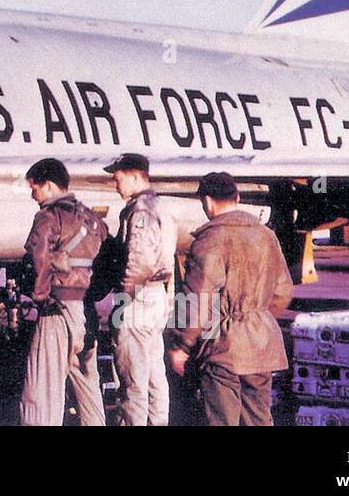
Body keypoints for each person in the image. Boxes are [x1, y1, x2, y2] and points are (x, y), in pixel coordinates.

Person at [169, 172, 293, 426]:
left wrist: (182, 346)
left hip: (223, 348)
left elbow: (198, 299)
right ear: (236, 197)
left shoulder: (210, 239)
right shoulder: (266, 235)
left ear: (207, 201)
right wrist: (254, 319)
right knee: (259, 419)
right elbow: (283, 290)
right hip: (261, 344)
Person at [19, 158, 108, 426]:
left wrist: (40, 296)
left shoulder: (48, 217)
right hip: (86, 315)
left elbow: (39, 262)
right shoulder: (92, 218)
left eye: (34, 188)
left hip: (57, 312)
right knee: (89, 392)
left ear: (48, 185)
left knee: (41, 392)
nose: (33, 195)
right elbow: (110, 262)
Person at [103, 152, 177, 426]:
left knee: (132, 379)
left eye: (118, 178)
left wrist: (124, 295)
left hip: (138, 298)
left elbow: (139, 259)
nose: (115, 184)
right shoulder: (159, 206)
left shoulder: (141, 210)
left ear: (135, 176)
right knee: (154, 376)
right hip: (155, 295)